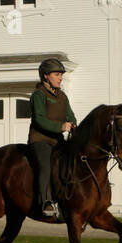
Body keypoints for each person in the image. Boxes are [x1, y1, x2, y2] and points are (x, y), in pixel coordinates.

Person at [28, 58, 77, 218]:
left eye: (61, 74)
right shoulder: (38, 95)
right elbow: (39, 119)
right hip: (40, 140)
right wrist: (61, 127)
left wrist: (74, 125)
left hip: (57, 141)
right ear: (46, 76)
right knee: (46, 166)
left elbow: (70, 115)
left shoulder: (62, 96)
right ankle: (46, 202)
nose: (60, 77)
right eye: (57, 74)